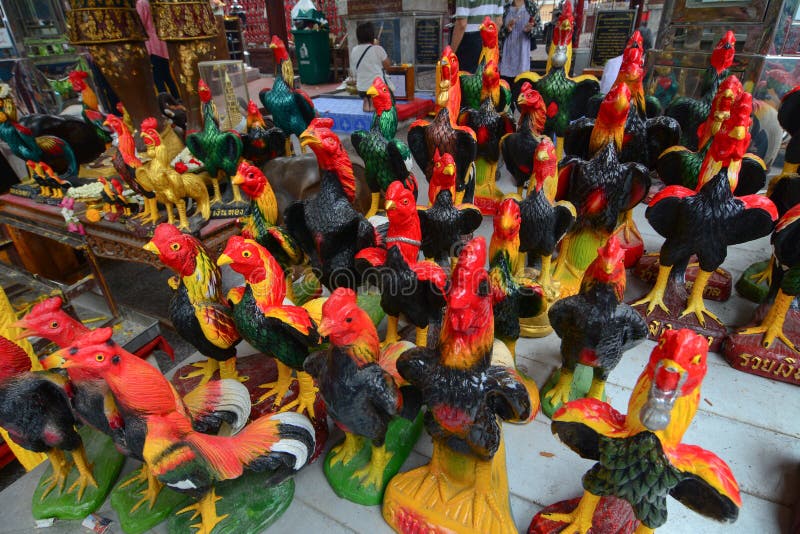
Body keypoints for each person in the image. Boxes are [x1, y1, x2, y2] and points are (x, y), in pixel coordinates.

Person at [136, 0, 180, 98]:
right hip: (162, 42)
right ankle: (177, 98)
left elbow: (140, 24)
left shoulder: (142, 3)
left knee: (157, 77)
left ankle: (166, 102)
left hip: (152, 44)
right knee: (166, 75)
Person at [349, 22, 393, 112]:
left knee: (366, 90)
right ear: (371, 35)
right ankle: (374, 102)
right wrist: (377, 46)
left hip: (361, 88)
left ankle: (366, 101)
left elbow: (354, 71)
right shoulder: (377, 49)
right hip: (377, 89)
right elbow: (388, 66)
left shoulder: (354, 50)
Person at [452, 0, 504, 74]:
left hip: (469, 42)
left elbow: (461, 24)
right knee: (486, 78)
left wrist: (450, 53)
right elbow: (499, 21)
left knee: (467, 81)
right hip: (490, 41)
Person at [499, 0, 536, 90]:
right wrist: (507, 29)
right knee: (506, 88)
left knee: (521, 89)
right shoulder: (505, 7)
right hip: (507, 55)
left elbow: (537, 30)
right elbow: (498, 33)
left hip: (523, 55)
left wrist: (530, 30)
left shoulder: (531, 8)